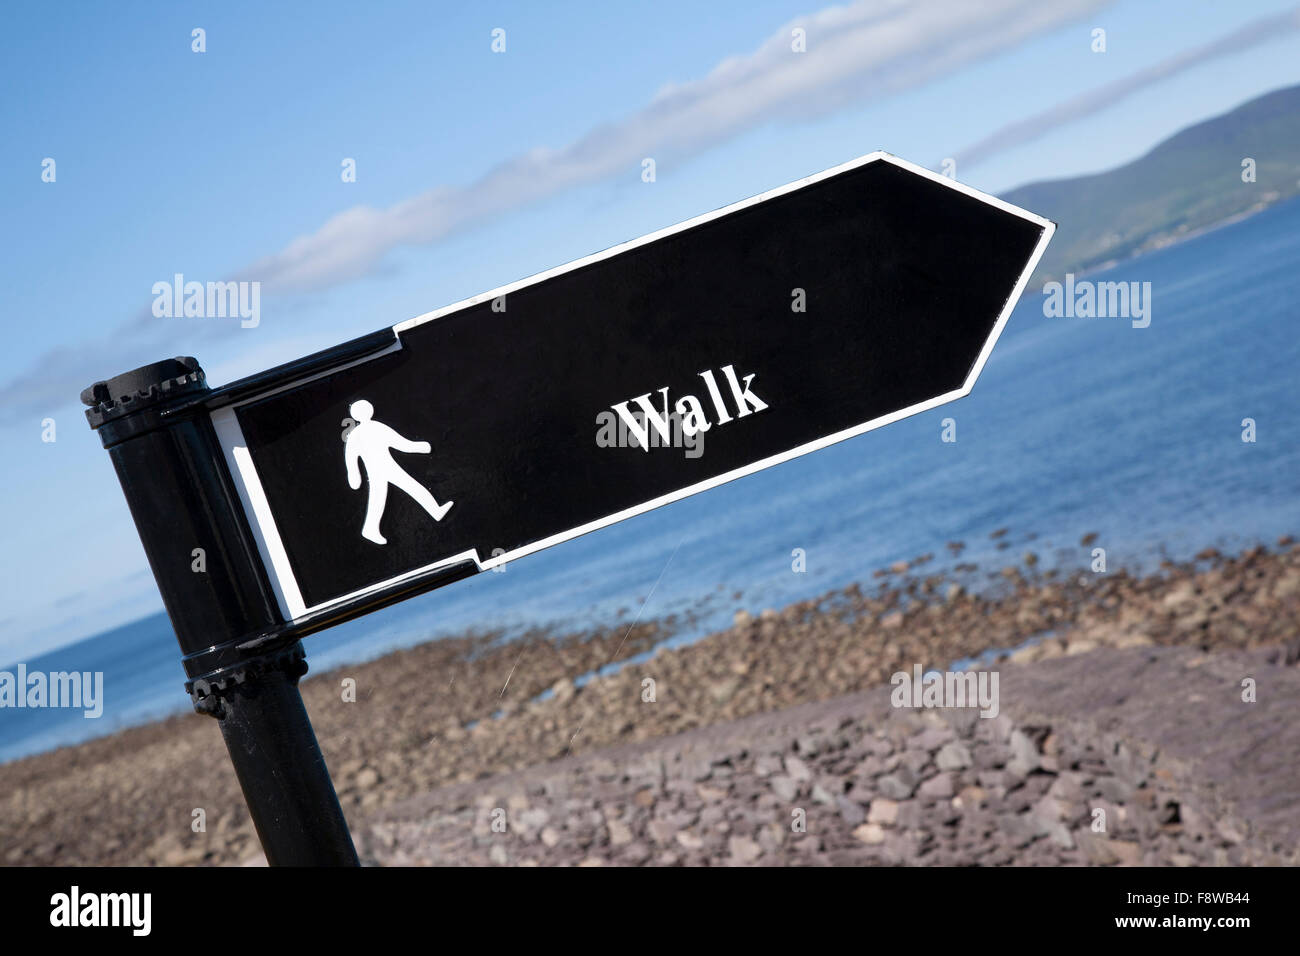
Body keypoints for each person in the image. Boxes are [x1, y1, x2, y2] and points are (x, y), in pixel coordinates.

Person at [344, 399, 453, 545]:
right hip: (381, 469)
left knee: (387, 495)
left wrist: (354, 478)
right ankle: (370, 528)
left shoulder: (360, 433)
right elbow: (402, 444)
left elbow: (401, 444)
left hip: (385, 467)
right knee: (387, 495)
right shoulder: (369, 430)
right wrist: (422, 447)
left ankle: (435, 511)